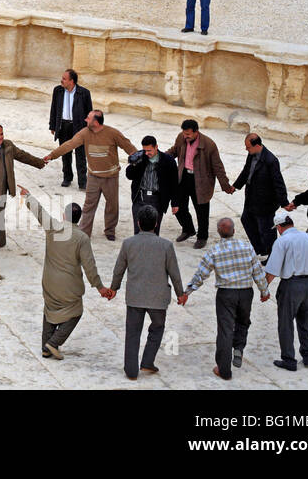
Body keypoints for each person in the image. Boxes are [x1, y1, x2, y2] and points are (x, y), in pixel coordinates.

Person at [20, 186, 112, 359]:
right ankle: (53, 343)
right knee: (75, 312)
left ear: (64, 215)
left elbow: (40, 211)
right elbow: (89, 266)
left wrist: (28, 196)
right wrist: (99, 287)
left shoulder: (53, 227)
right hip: (69, 287)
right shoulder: (82, 238)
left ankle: (46, 348)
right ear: (78, 219)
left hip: (49, 281)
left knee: (50, 309)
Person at [178, 218, 270, 380]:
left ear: (219, 233)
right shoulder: (247, 247)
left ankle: (224, 369)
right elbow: (257, 271)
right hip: (246, 292)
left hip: (226, 294)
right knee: (243, 322)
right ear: (233, 231)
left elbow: (201, 274)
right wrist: (264, 291)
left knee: (225, 330)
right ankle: (239, 348)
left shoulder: (214, 251)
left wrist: (187, 292)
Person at [104, 204, 185, 380]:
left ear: (138, 222)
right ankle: (148, 362)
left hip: (135, 297)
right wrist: (181, 294)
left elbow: (119, 269)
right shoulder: (166, 245)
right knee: (157, 328)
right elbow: (174, 273)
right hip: (158, 298)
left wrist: (113, 288)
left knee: (133, 333)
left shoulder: (128, 243)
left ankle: (131, 371)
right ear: (156, 224)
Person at [43, 110, 136, 241]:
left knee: (112, 206)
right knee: (88, 206)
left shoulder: (113, 133)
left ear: (96, 122)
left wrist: (138, 158)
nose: (85, 120)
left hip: (111, 177)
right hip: (93, 177)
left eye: (88, 118)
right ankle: (85, 232)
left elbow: (128, 146)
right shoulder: (84, 133)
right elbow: (69, 144)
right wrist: (52, 155)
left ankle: (110, 231)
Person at [0, 124, 45, 256]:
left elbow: (23, 156)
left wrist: (39, 163)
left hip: (3, 187)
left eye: (1, 134)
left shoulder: (8, 146)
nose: (0, 137)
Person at [264, 213, 308, 371]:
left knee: (285, 323)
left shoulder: (282, 241)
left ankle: (289, 359)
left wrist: (264, 289)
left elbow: (272, 271)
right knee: (306, 322)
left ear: (279, 227)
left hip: (291, 285)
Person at [169, 119, 233, 249]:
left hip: (201, 181)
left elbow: (218, 167)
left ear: (196, 132)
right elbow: (174, 151)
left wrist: (225, 185)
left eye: (188, 134)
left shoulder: (209, 145)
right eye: (184, 133)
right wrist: (161, 158)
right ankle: (188, 229)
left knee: (202, 211)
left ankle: (202, 237)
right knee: (178, 206)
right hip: (183, 176)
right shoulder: (181, 138)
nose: (185, 136)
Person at [233, 133, 288, 257]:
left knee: (266, 230)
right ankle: (260, 250)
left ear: (257, 145)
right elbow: (246, 171)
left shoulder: (271, 161)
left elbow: (278, 182)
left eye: (248, 147)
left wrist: (284, 202)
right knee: (246, 220)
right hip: (251, 198)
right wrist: (236, 186)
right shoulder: (251, 155)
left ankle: (272, 255)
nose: (246, 149)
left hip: (265, 202)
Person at [48, 69, 92, 190]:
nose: (61, 80)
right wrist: (53, 125)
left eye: (64, 79)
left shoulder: (84, 93)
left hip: (78, 127)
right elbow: (54, 108)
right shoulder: (58, 91)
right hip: (63, 126)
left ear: (71, 81)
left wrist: (90, 129)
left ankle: (83, 182)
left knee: (80, 155)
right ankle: (67, 178)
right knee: (65, 153)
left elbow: (90, 112)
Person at [125, 136, 177, 236]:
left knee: (154, 232)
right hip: (140, 198)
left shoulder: (168, 160)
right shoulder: (140, 157)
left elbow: (174, 182)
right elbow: (129, 175)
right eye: (144, 150)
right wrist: (134, 164)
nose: (147, 153)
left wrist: (175, 203)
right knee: (138, 231)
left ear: (156, 147)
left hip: (157, 199)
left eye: (149, 150)